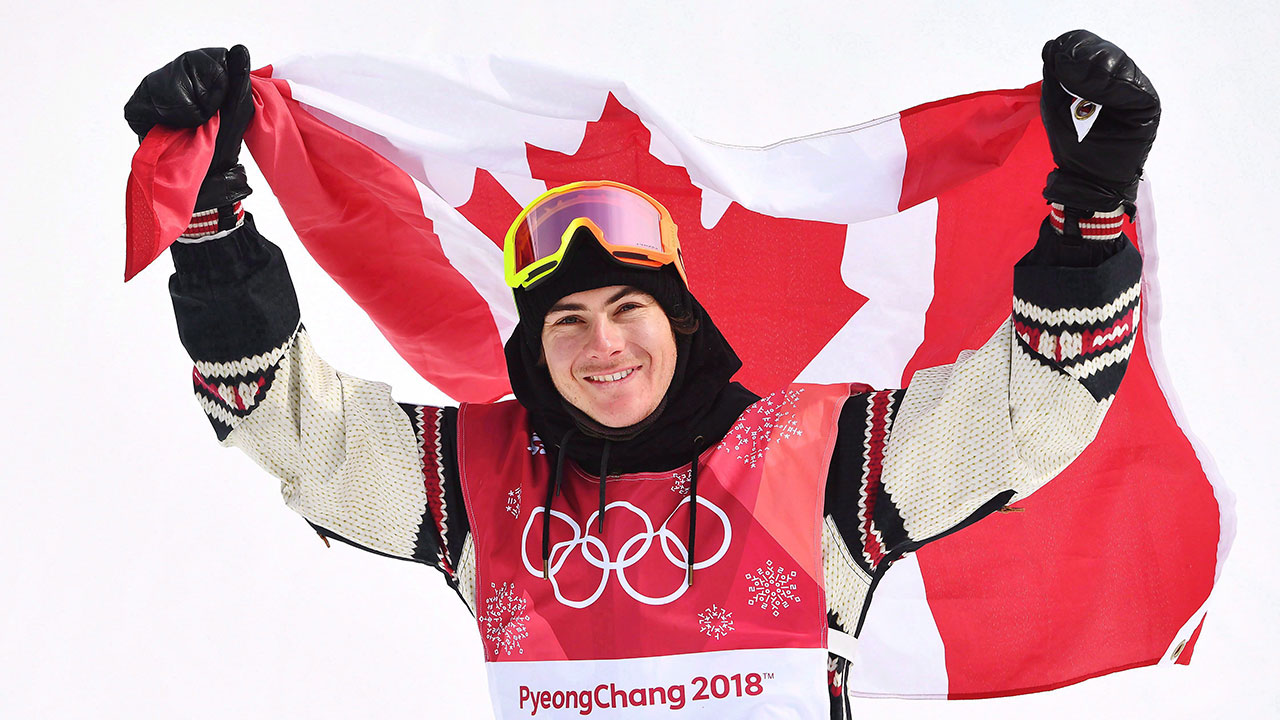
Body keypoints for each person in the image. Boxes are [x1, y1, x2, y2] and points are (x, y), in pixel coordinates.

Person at [125, 30, 1157, 719]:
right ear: (532, 355)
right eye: (565, 321)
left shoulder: (820, 460)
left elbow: (1036, 405)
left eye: (629, 310)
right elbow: (287, 423)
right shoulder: (478, 483)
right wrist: (211, 229)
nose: (601, 344)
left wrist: (1091, 213)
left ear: (683, 326)